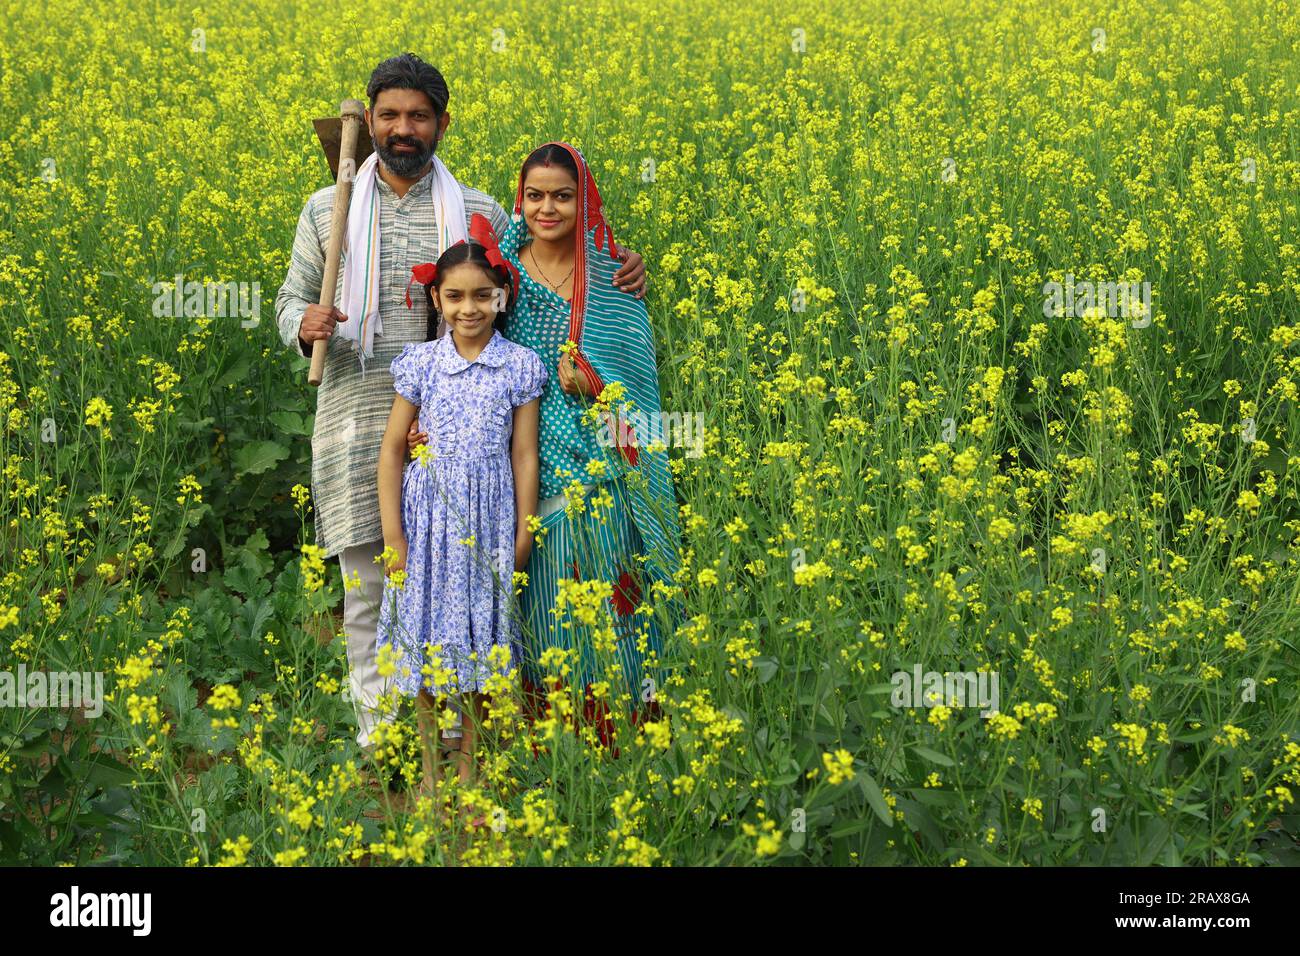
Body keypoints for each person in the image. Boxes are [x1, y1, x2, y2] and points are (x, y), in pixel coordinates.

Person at [273, 53, 646, 757]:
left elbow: (536, 277)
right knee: (369, 583)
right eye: (389, 115)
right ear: (371, 121)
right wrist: (301, 323)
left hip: (466, 432)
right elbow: (291, 297)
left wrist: (617, 263)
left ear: (442, 123)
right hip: (360, 419)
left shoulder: (479, 213)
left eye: (418, 116)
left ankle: (453, 728)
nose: (402, 128)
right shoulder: (329, 208)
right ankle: (381, 736)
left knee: (461, 580)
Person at [409, 142, 681, 752]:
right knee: (544, 615)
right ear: (519, 201)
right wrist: (434, 425)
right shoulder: (501, 271)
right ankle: (547, 756)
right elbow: (463, 346)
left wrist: (598, 384)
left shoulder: (612, 278)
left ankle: (622, 749)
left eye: (563, 195)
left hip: (604, 472)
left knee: (610, 610)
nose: (547, 208)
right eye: (534, 196)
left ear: (583, 200)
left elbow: (636, 376)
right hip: (521, 473)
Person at [376, 213, 545, 802]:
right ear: (435, 298)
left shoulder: (521, 364)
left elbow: (525, 456)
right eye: (454, 296)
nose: (468, 308)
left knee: (476, 653)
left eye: (482, 296)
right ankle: (427, 777)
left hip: (489, 519)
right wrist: (392, 536)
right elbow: (392, 450)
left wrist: (523, 528)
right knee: (426, 652)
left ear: (501, 297)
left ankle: (469, 772)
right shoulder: (420, 362)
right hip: (426, 523)